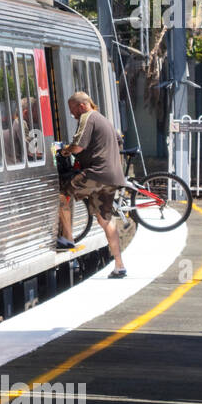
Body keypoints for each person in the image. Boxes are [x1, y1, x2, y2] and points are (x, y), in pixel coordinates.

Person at [55, 92, 127, 279]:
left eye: (73, 110)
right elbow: (119, 141)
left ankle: (68, 239)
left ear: (81, 106)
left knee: (63, 193)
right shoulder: (105, 120)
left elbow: (78, 147)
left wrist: (64, 151)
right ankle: (119, 265)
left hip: (96, 174)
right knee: (105, 220)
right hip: (113, 177)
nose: (73, 115)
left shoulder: (88, 117)